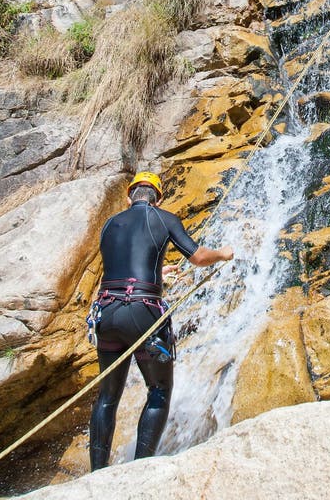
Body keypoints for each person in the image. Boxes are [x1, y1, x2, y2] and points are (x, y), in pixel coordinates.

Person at [89, 171, 233, 470]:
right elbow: (198, 257)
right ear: (159, 198)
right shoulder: (163, 218)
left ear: (129, 197)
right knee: (159, 391)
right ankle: (139, 471)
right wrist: (222, 254)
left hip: (107, 313)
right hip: (142, 314)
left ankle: (97, 472)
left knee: (107, 396)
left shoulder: (110, 224)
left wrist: (158, 272)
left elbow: (122, 266)